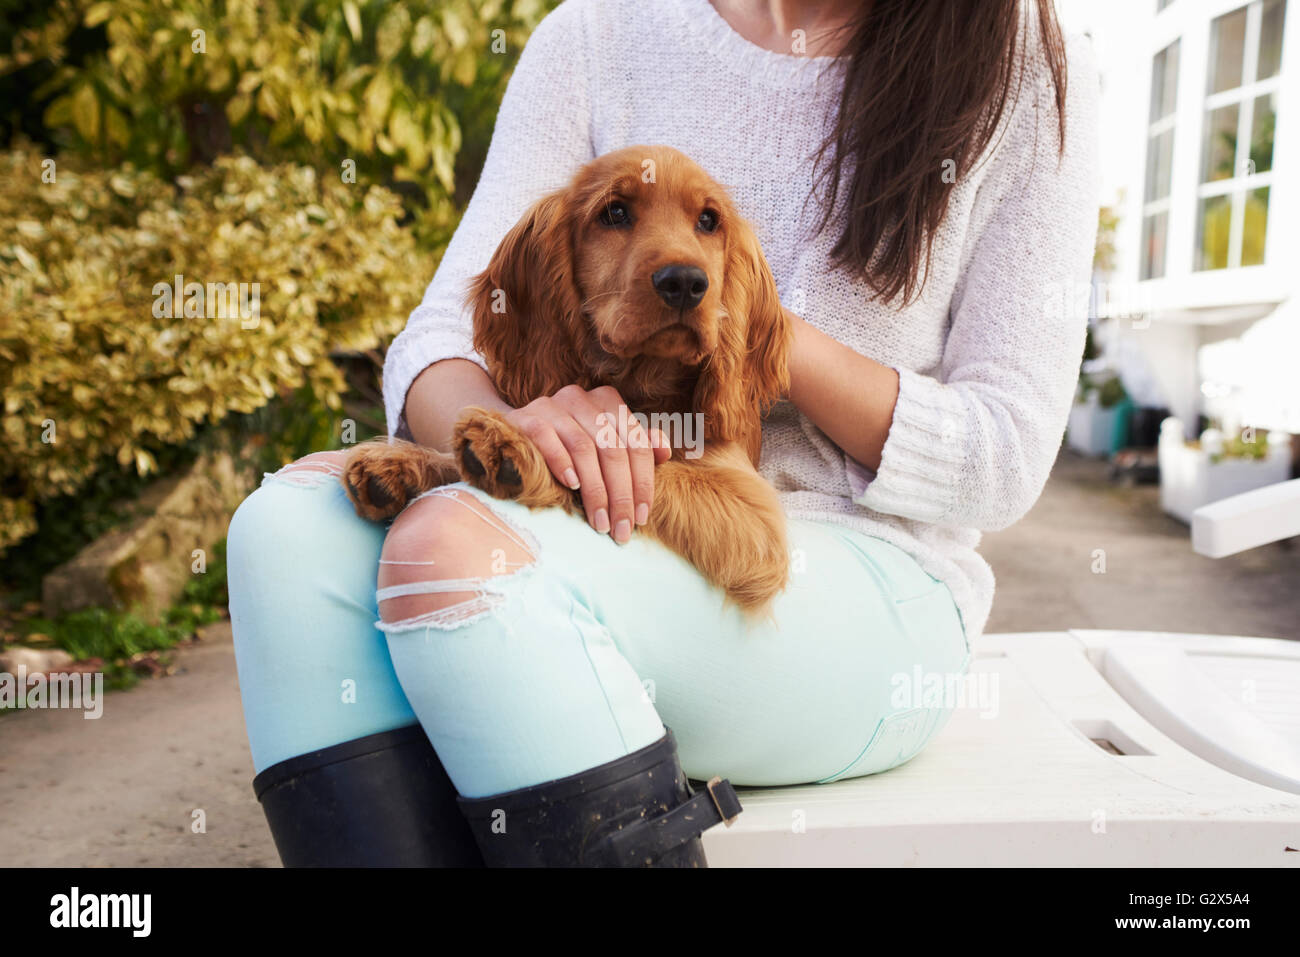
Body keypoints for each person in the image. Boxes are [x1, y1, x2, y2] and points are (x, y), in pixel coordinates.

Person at [228, 0, 1099, 867]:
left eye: (704, 230)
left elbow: (1005, 452)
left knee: (456, 551)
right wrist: (508, 427)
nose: (676, 259)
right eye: (618, 216)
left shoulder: (1020, 59)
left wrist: (760, 334)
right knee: (286, 531)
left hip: (859, 575)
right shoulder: (599, 31)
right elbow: (445, 333)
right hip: (584, 518)